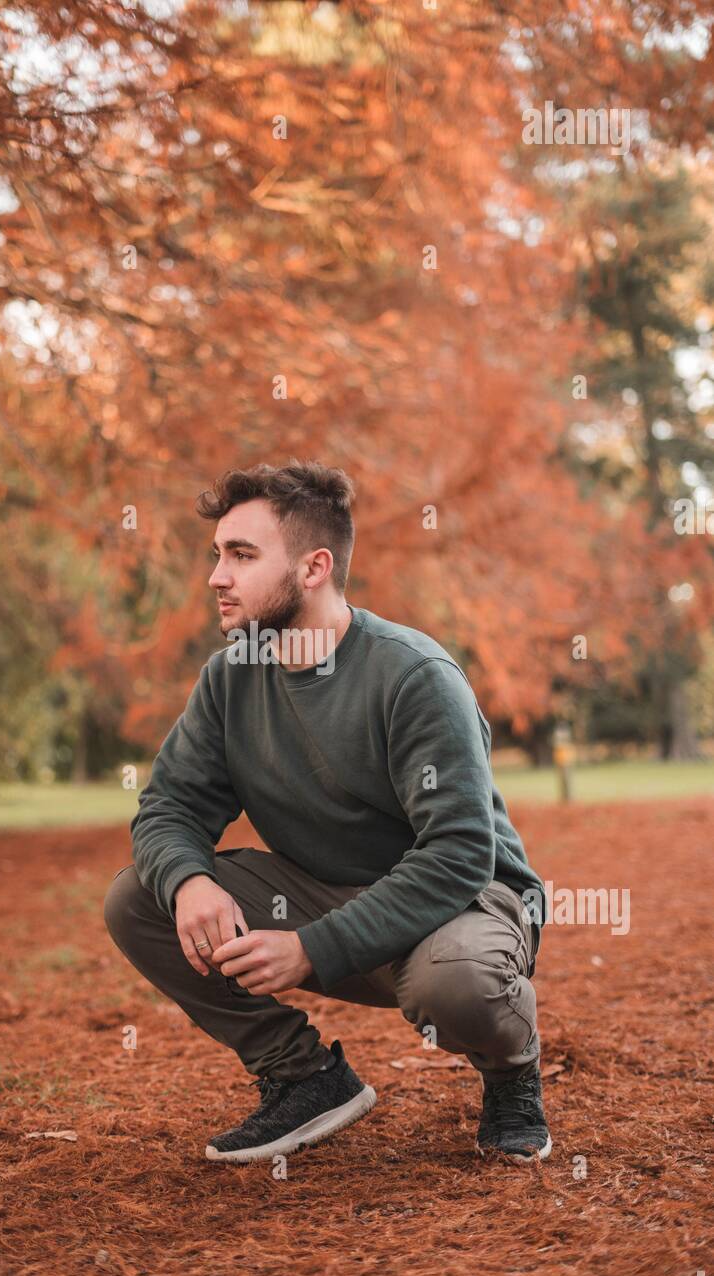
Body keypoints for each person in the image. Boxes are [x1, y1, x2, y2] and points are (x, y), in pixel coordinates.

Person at [104, 460, 551, 1165]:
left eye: (242, 556)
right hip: (321, 899)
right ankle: (304, 1076)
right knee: (140, 896)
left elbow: (460, 856)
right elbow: (169, 808)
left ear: (314, 568)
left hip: (460, 907)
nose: (217, 576)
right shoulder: (229, 680)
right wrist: (189, 882)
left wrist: (312, 948)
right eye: (217, 555)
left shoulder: (413, 676)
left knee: (457, 985)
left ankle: (511, 1072)